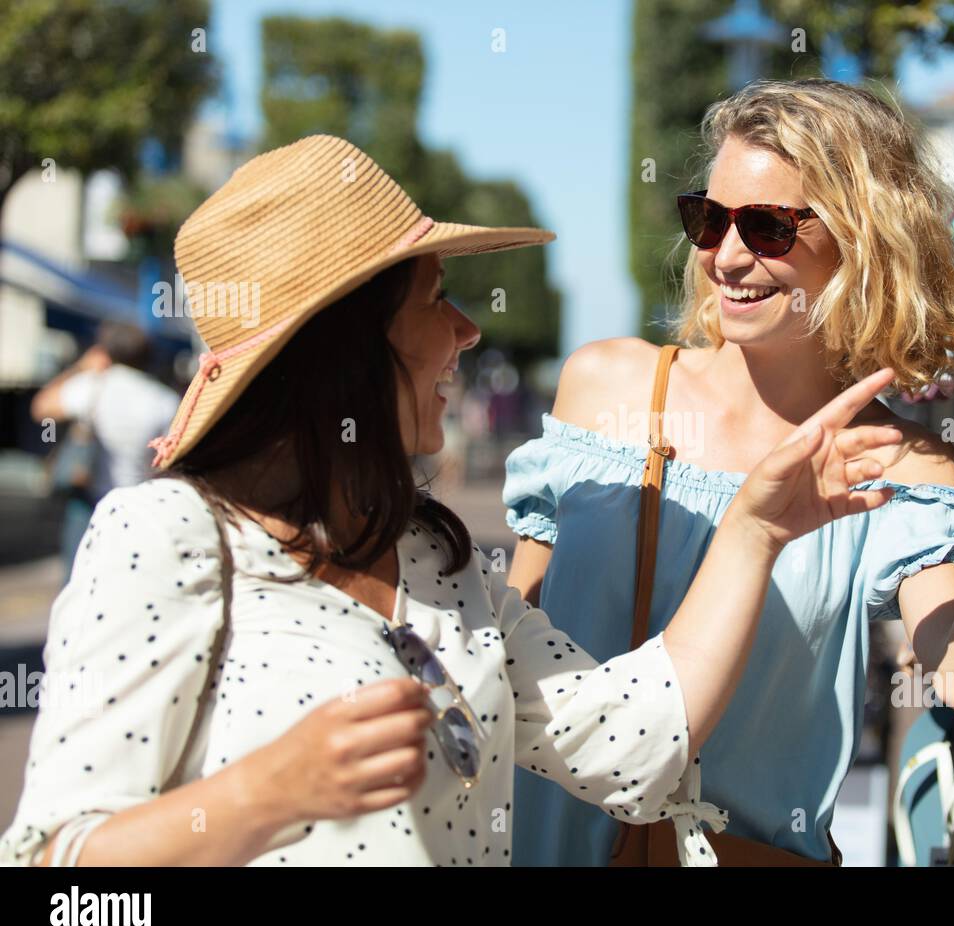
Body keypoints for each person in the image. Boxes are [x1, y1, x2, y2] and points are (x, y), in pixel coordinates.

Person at [0, 134, 905, 867]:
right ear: (349, 345)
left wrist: (753, 530)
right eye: (438, 299)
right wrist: (262, 796)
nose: (470, 331)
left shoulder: (438, 563)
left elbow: (633, 743)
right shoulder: (167, 537)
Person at [503, 78, 954, 865]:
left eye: (766, 228)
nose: (726, 257)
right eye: (708, 219)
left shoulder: (895, 463)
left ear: (863, 239)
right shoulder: (608, 388)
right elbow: (509, 638)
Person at [30, 322, 179, 581]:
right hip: (138, 506)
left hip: (88, 502)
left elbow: (42, 407)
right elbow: (169, 462)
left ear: (105, 351)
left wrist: (81, 367)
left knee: (78, 584)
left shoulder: (92, 385)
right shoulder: (164, 401)